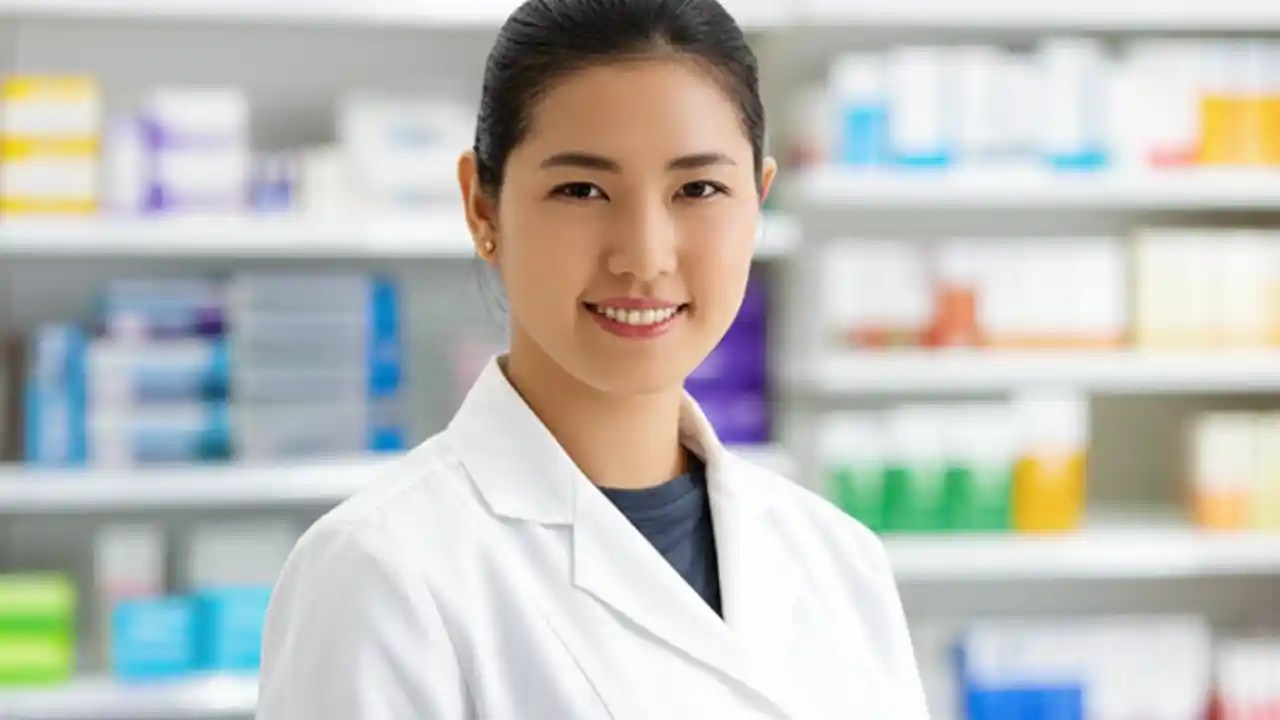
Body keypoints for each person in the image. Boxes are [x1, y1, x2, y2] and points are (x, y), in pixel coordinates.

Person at [257, 0, 928, 717]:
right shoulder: (383, 570)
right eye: (581, 190)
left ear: (757, 203)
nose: (643, 256)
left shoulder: (838, 561)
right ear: (483, 209)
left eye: (698, 189)